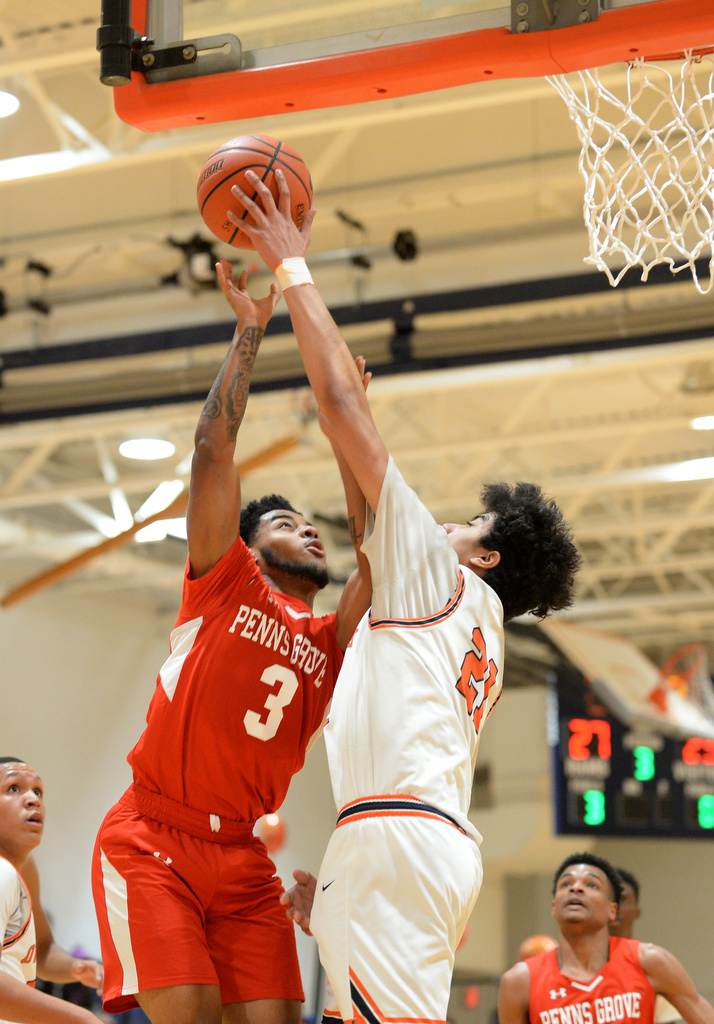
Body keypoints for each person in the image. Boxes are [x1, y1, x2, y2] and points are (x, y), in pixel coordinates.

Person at [223, 168, 581, 1024]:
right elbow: (368, 533)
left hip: (398, 839)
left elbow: (338, 404)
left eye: (463, 520)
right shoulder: (460, 613)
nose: (442, 524)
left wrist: (292, 267)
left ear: (486, 553)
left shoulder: (447, 579)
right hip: (408, 841)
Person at [91, 267, 372, 1024]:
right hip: (153, 837)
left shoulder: (332, 639)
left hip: (245, 858)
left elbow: (380, 551)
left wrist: (350, 427)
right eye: (284, 523)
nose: (307, 528)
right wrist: (252, 327)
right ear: (245, 549)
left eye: (313, 525)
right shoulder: (225, 584)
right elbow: (213, 446)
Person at [498, 852, 714, 1024]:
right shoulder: (519, 982)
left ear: (613, 910)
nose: (576, 888)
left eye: (592, 885)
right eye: (566, 884)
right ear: (554, 908)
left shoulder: (650, 961)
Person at [0, 757, 105, 1024]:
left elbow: (43, 949)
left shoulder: (22, 868)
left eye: (38, 791)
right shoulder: (3, 872)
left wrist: (75, 967)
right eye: (14, 788)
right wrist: (82, 1019)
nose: (33, 799)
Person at [610, 868, 682, 1024]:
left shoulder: (653, 964)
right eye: (609, 899)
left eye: (622, 900)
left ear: (637, 912)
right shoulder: (577, 966)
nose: (616, 908)